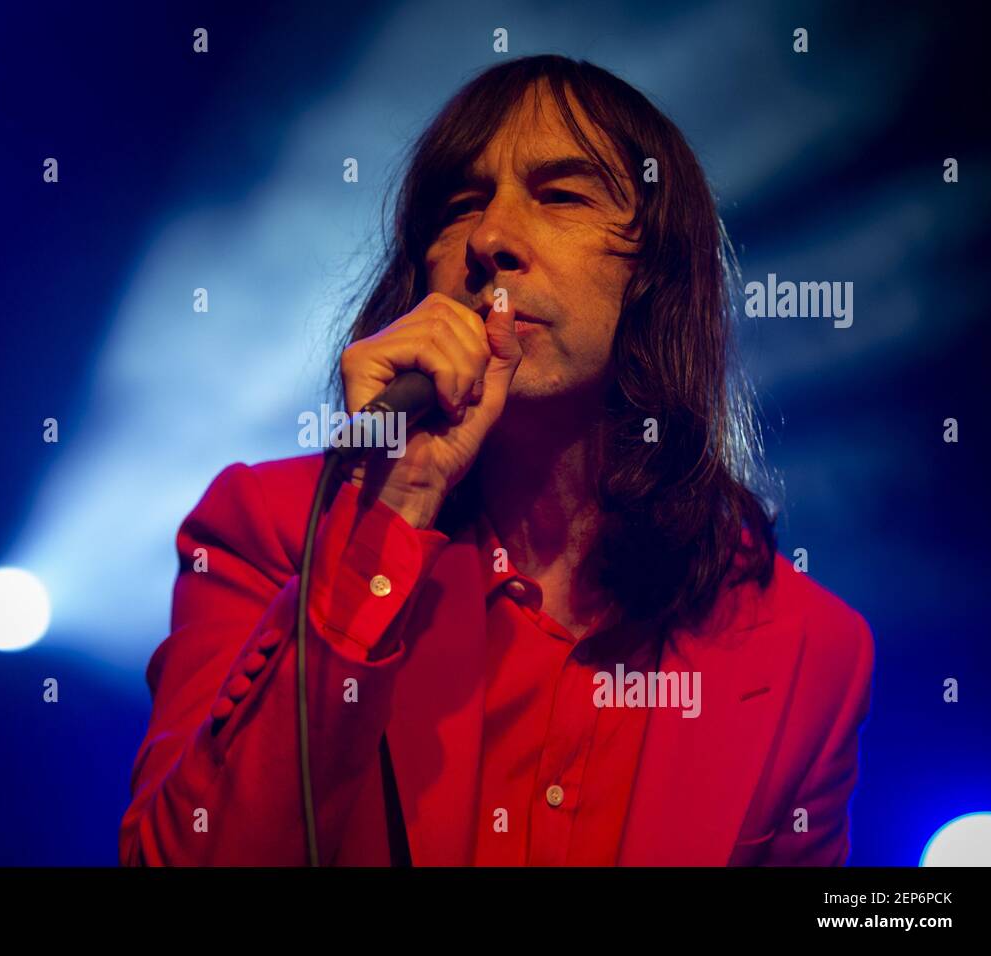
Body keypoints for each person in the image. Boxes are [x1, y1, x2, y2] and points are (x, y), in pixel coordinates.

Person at [119, 55, 874, 866]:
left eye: (561, 196)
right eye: (459, 207)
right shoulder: (264, 530)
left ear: (655, 275)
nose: (491, 241)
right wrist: (391, 510)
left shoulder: (807, 648)